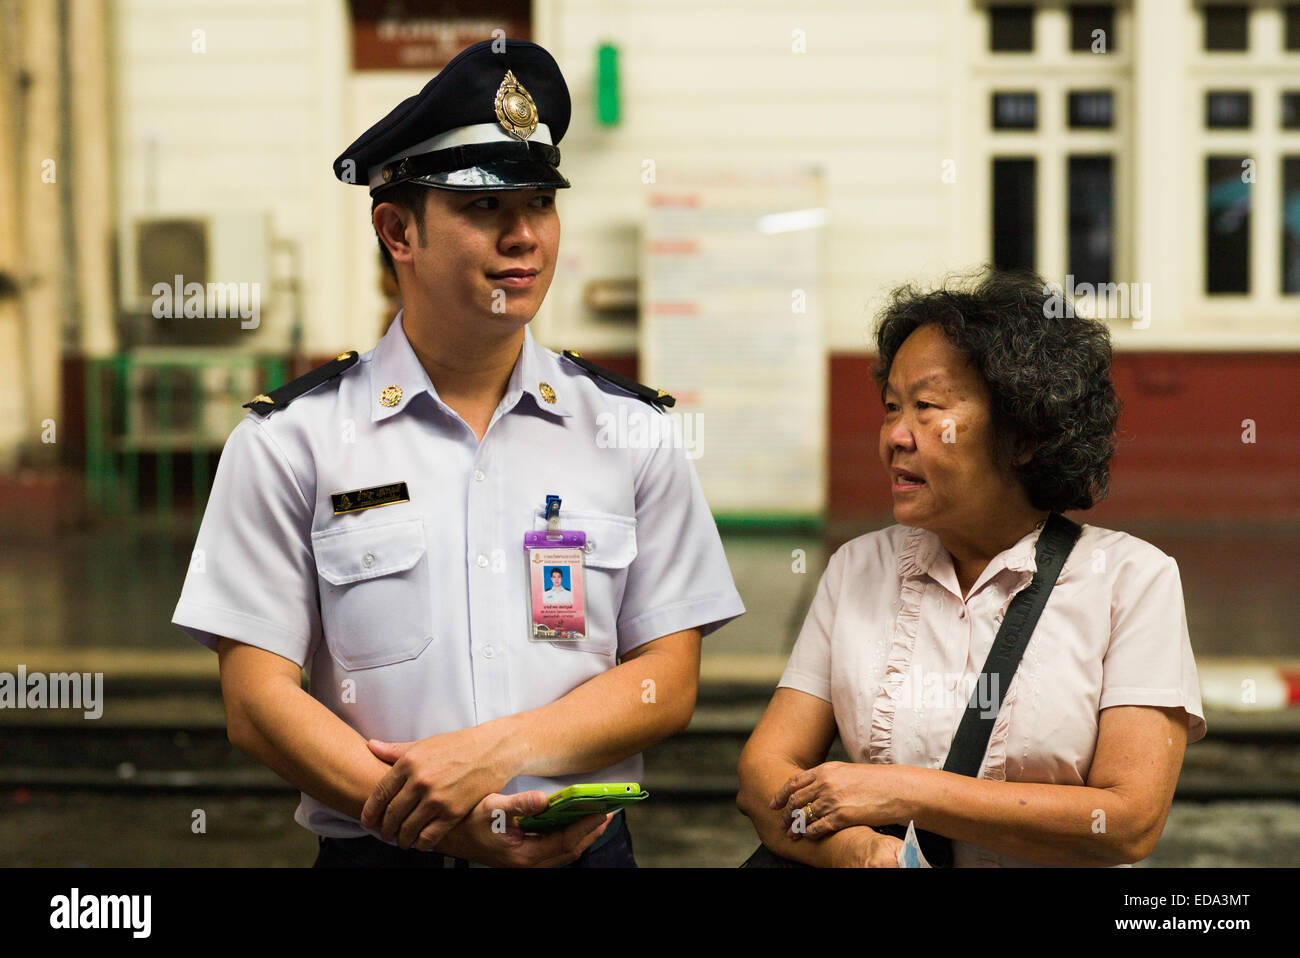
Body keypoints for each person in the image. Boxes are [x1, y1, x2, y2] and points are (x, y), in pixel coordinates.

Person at [172, 38, 744, 868]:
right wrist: (438, 821)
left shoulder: (632, 430)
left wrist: (498, 754)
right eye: (485, 209)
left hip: (579, 850)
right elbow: (257, 700)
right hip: (383, 851)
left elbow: (667, 677)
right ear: (397, 231)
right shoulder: (290, 442)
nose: (524, 238)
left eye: (539, 204)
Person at [736, 269, 1206, 868]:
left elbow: (1128, 822)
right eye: (890, 407)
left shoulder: (1132, 580)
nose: (895, 437)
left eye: (927, 408)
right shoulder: (860, 568)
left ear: (1023, 434)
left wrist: (901, 790)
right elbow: (761, 774)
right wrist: (859, 853)